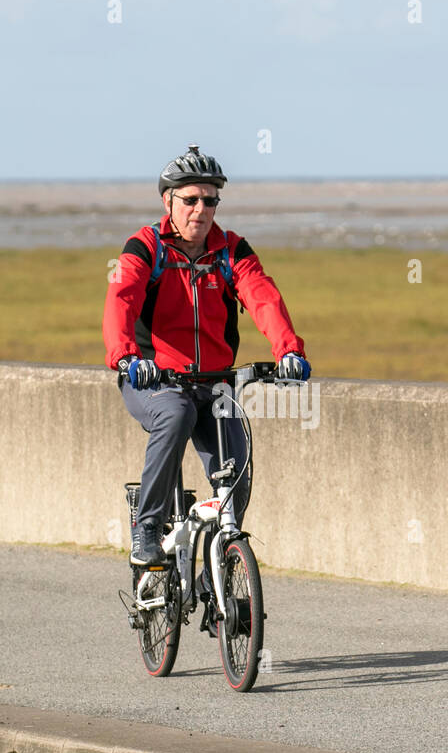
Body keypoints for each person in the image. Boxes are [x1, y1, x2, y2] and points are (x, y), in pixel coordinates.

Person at [104, 144, 310, 566]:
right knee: (175, 415)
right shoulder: (147, 247)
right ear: (168, 201)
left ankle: (220, 561)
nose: (201, 209)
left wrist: (288, 350)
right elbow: (120, 300)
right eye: (190, 199)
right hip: (155, 379)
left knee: (235, 476)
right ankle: (147, 527)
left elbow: (262, 297)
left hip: (214, 384)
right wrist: (126, 357)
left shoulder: (231, 251)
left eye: (210, 200)